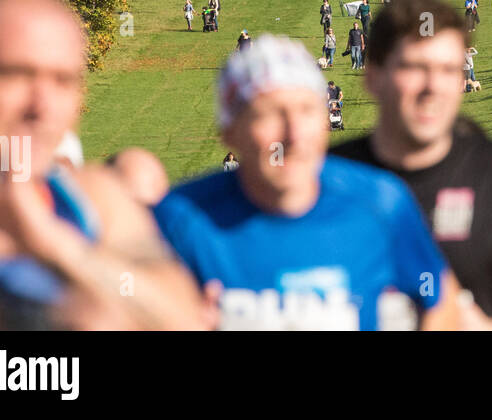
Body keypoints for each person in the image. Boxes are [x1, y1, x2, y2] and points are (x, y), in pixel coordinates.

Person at [0, 0, 207, 330]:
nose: (42, 107)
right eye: (15, 74)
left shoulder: (90, 197)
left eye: (63, 81)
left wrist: (53, 244)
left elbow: (183, 318)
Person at [153, 34, 458, 330]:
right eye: (270, 114)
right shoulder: (179, 220)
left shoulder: (380, 203)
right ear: (230, 132)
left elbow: (441, 300)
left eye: (307, 111)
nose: (293, 135)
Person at [333, 0, 492, 330]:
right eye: (414, 67)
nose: (432, 87)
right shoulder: (329, 178)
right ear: (373, 76)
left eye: (447, 70)